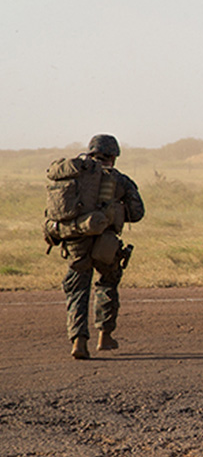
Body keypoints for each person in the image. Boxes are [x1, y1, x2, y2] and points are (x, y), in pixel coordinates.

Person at [48, 134, 144, 359]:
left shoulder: (72, 174)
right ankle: (105, 336)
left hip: (75, 241)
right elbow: (137, 213)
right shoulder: (118, 179)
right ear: (113, 156)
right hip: (105, 243)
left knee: (77, 291)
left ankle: (78, 342)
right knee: (107, 283)